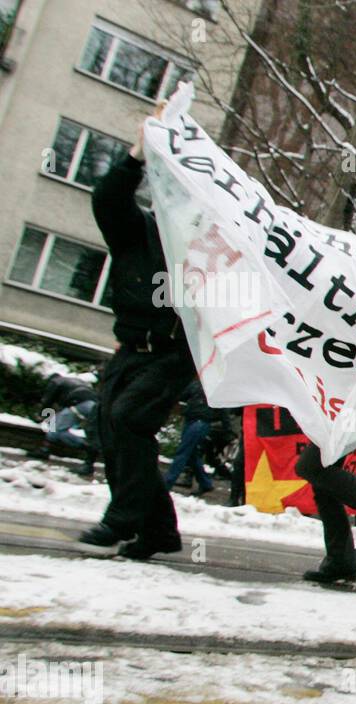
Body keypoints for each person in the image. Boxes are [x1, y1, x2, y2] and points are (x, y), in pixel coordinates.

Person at [78, 113, 196, 560]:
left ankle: (121, 519)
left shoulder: (200, 248)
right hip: (129, 347)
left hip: (173, 353)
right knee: (113, 430)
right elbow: (108, 197)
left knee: (129, 420)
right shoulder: (135, 230)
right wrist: (136, 155)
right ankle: (161, 531)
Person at [296, 443, 356, 584]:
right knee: (323, 487)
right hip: (336, 422)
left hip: (339, 422)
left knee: (309, 467)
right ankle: (339, 562)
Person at [163, 380, 216, 495]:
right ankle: (205, 483)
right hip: (192, 419)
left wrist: (226, 427)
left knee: (183, 452)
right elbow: (182, 395)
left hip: (201, 421)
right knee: (192, 454)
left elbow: (223, 409)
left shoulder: (215, 386)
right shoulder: (196, 384)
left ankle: (167, 483)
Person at [40, 374, 98, 477]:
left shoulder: (55, 382)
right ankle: (89, 464)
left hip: (79, 403)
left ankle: (45, 451)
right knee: (93, 434)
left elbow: (48, 402)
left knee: (57, 430)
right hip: (94, 404)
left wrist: (43, 416)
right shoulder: (74, 381)